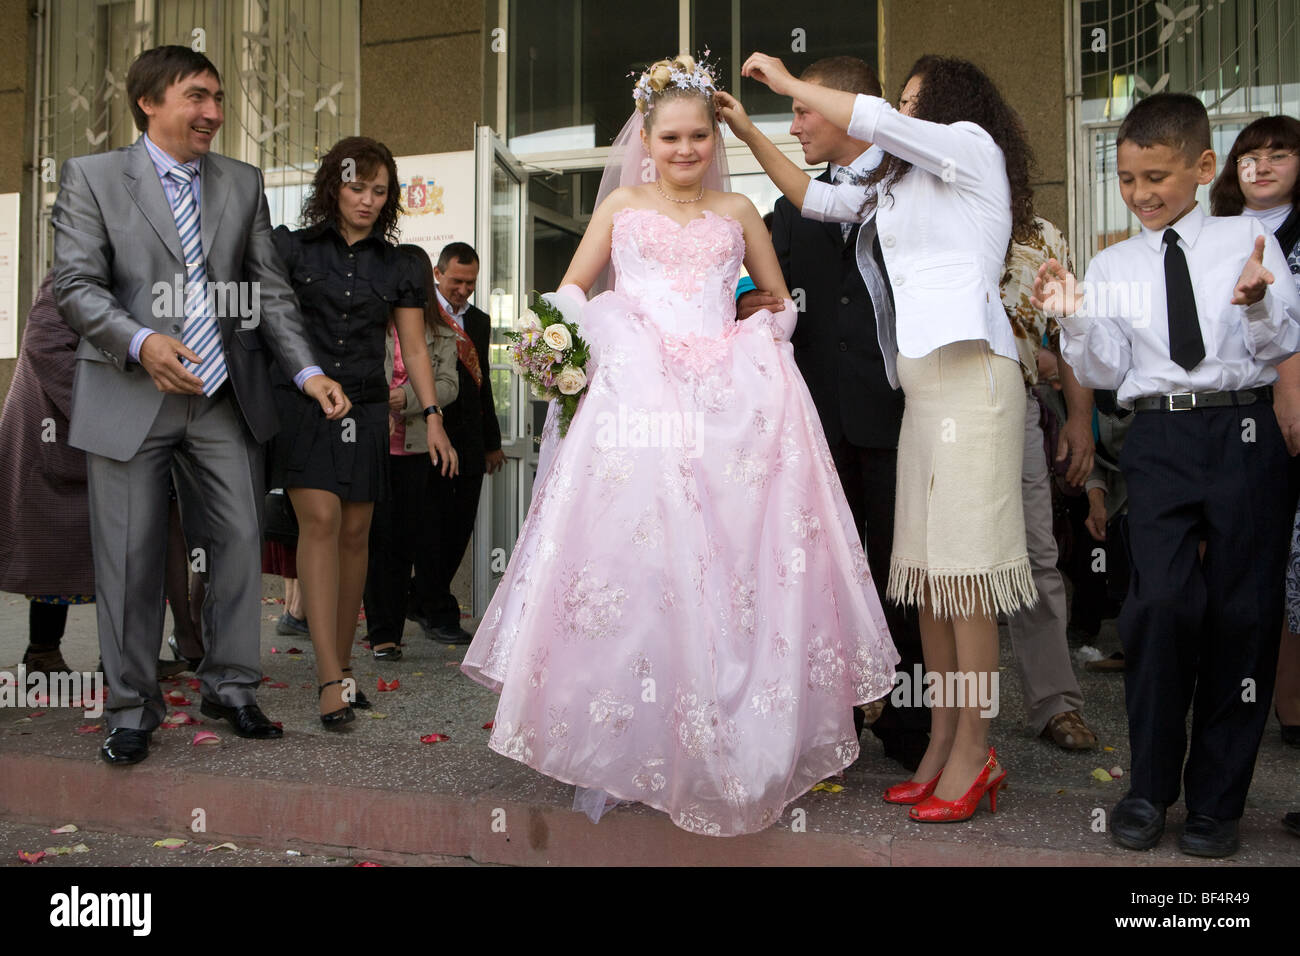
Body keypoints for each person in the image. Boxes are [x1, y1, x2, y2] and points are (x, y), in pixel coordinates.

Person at [460, 54, 899, 837]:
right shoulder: (622, 205)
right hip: (636, 394)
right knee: (640, 567)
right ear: (647, 139)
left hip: (720, 397)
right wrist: (561, 336)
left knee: (727, 567)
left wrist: (751, 338)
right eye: (672, 137)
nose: (686, 149)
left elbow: (775, 301)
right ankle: (631, 739)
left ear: (715, 135)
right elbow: (572, 288)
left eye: (699, 135)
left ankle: (728, 737)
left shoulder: (740, 212)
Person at [720, 53, 1037, 822]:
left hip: (976, 381)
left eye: (908, 103)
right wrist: (744, 127)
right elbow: (809, 196)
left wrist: (792, 84)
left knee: (967, 582)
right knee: (927, 578)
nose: (896, 113)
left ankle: (976, 750)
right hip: (922, 392)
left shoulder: (970, 150)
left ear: (946, 107)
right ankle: (941, 744)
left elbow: (877, 122)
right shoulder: (895, 187)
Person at [51, 46, 351, 765]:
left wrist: (307, 371)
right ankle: (130, 707)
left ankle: (231, 684)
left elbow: (268, 290)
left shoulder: (241, 184)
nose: (214, 113)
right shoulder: (91, 179)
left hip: (223, 398)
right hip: (129, 393)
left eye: (218, 98)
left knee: (242, 539)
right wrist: (141, 340)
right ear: (150, 101)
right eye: (197, 96)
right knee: (129, 556)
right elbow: (75, 286)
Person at [1037, 93, 1300, 857]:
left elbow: (1283, 335)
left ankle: (1218, 804)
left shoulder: (1247, 236)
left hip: (1243, 429)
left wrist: (1254, 303)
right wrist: (1077, 315)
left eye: (1156, 175)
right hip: (1157, 438)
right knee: (1157, 610)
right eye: (1125, 178)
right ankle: (1150, 789)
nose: (1141, 192)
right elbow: (1108, 369)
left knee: (1243, 616)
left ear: (1202, 167)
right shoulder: (1115, 260)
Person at [735, 55, 929, 771]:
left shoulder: (915, 184)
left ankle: (913, 729)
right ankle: (832, 721)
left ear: (846, 108)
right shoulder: (787, 210)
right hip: (813, 430)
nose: (796, 127)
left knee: (905, 577)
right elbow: (757, 298)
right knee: (817, 578)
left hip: (904, 416)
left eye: (803, 112)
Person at [270, 137, 457, 726]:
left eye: (380, 191)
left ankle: (344, 667)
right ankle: (329, 678)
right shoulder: (291, 250)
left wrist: (433, 417)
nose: (368, 200)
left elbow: (415, 350)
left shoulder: (403, 265)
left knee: (356, 535)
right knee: (321, 522)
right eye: (357, 187)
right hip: (304, 406)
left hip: (370, 412)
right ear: (333, 187)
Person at [1210, 116, 1300, 748]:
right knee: (1244, 563)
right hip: (1229, 417)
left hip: (1292, 408)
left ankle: (1292, 710)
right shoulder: (1208, 234)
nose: (1261, 166)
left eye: (1279, 154)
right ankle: (1246, 696)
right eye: (1248, 156)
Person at [999, 216, 1099, 749]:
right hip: (934, 405)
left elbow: (1067, 334)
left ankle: (1055, 703)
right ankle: (935, 720)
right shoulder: (921, 207)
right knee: (935, 566)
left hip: (1017, 406)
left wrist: (1079, 420)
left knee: (1038, 559)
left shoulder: (1043, 236)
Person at [362, 244, 460, 660]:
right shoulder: (371, 324)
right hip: (371, 446)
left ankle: (392, 632)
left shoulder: (440, 331)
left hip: (418, 448)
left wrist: (407, 397)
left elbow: (449, 385)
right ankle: (379, 631)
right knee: (370, 538)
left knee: (403, 542)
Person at [408, 242, 502, 645]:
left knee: (460, 526)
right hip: (432, 435)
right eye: (457, 281)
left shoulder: (479, 321)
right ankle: (437, 609)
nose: (463, 289)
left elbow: (485, 390)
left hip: (471, 439)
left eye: (471, 283)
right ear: (438, 273)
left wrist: (491, 442)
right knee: (431, 525)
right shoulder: (420, 316)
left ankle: (422, 598)